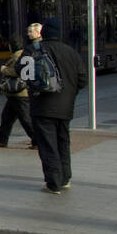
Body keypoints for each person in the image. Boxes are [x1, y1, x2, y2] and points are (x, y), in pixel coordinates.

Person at [26, 18, 87, 195]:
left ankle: (53, 182)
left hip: (42, 106)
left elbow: (23, 72)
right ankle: (65, 177)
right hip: (66, 108)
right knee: (63, 141)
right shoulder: (71, 52)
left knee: (47, 144)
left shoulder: (33, 50)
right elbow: (83, 79)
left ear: (44, 33)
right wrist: (69, 94)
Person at [0, 25, 37, 149]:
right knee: (7, 117)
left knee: (26, 119)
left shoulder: (18, 56)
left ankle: (38, 140)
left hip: (20, 94)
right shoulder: (22, 53)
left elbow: (19, 71)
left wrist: (5, 70)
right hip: (15, 94)